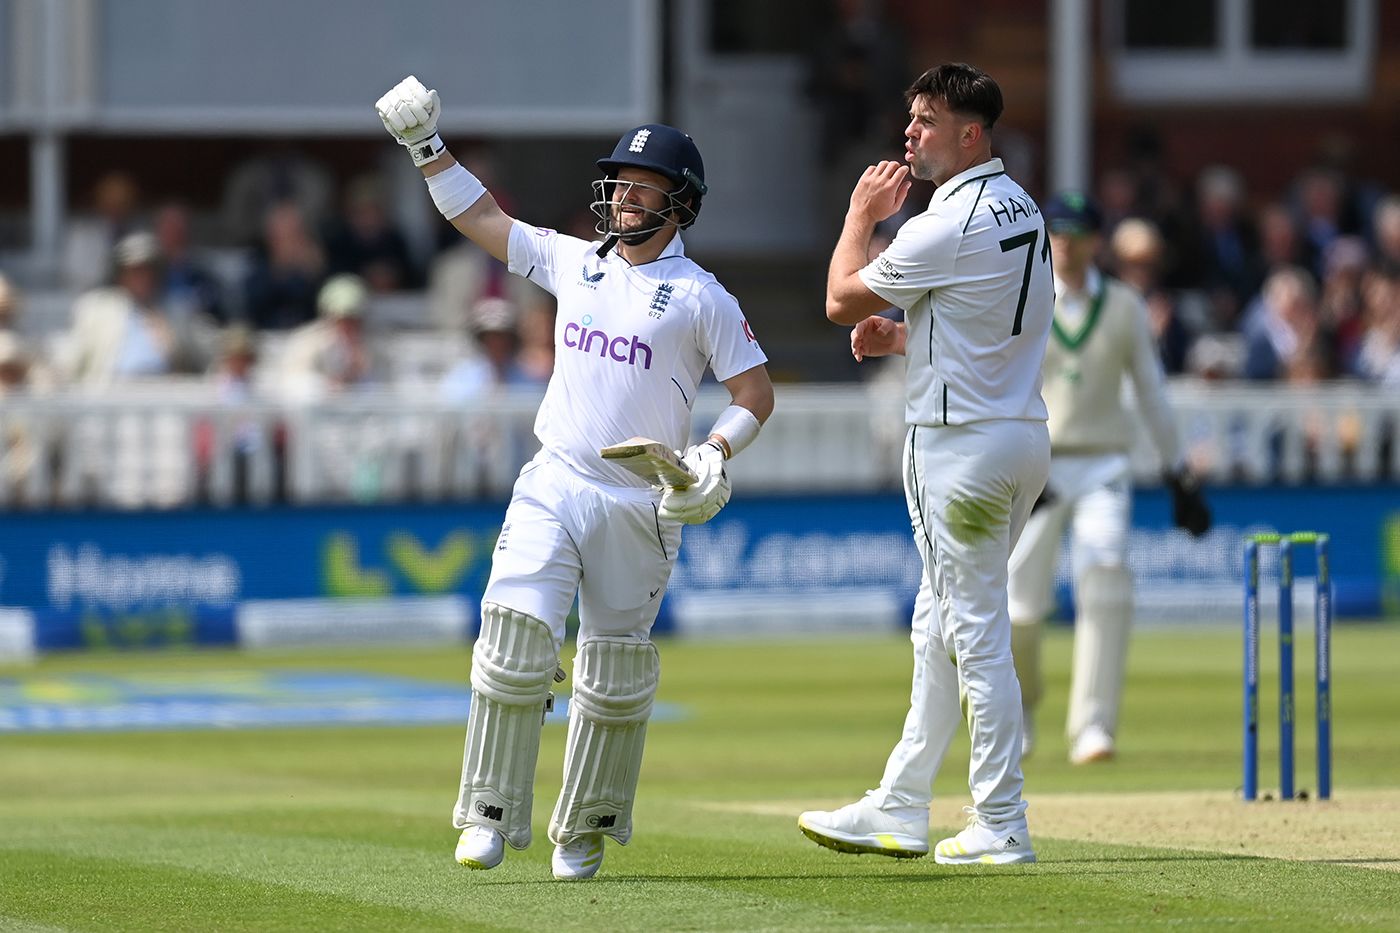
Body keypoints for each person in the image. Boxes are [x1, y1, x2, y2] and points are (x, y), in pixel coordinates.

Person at [375, 76, 774, 880]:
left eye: (639, 188)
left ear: (679, 203)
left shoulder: (703, 298)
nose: (621, 198)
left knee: (615, 671)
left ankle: (583, 829)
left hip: (640, 501)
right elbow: (481, 219)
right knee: (515, 633)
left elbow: (755, 394)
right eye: (618, 185)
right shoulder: (573, 261)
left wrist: (711, 455)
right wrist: (427, 149)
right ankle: (488, 813)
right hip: (554, 478)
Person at [799, 62, 1053, 866]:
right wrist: (910, 339)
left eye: (926, 120)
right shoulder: (1024, 208)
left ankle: (1002, 821)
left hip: (961, 452)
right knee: (938, 626)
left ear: (970, 133)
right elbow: (995, 327)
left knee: (973, 633)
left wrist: (859, 213)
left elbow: (840, 298)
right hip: (1014, 434)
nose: (909, 132)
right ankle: (903, 804)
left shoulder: (941, 223)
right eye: (910, 118)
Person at [1005, 192, 1212, 767]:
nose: (1066, 243)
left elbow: (1151, 391)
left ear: (1097, 241)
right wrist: (1020, 459)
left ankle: (1093, 726)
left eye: (1076, 233)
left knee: (1106, 579)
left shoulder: (1123, 306)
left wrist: (1179, 474)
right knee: (1020, 604)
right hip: (1039, 464)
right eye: (1058, 232)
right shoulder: (1025, 297)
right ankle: (1020, 712)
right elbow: (1000, 383)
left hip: (1104, 464)